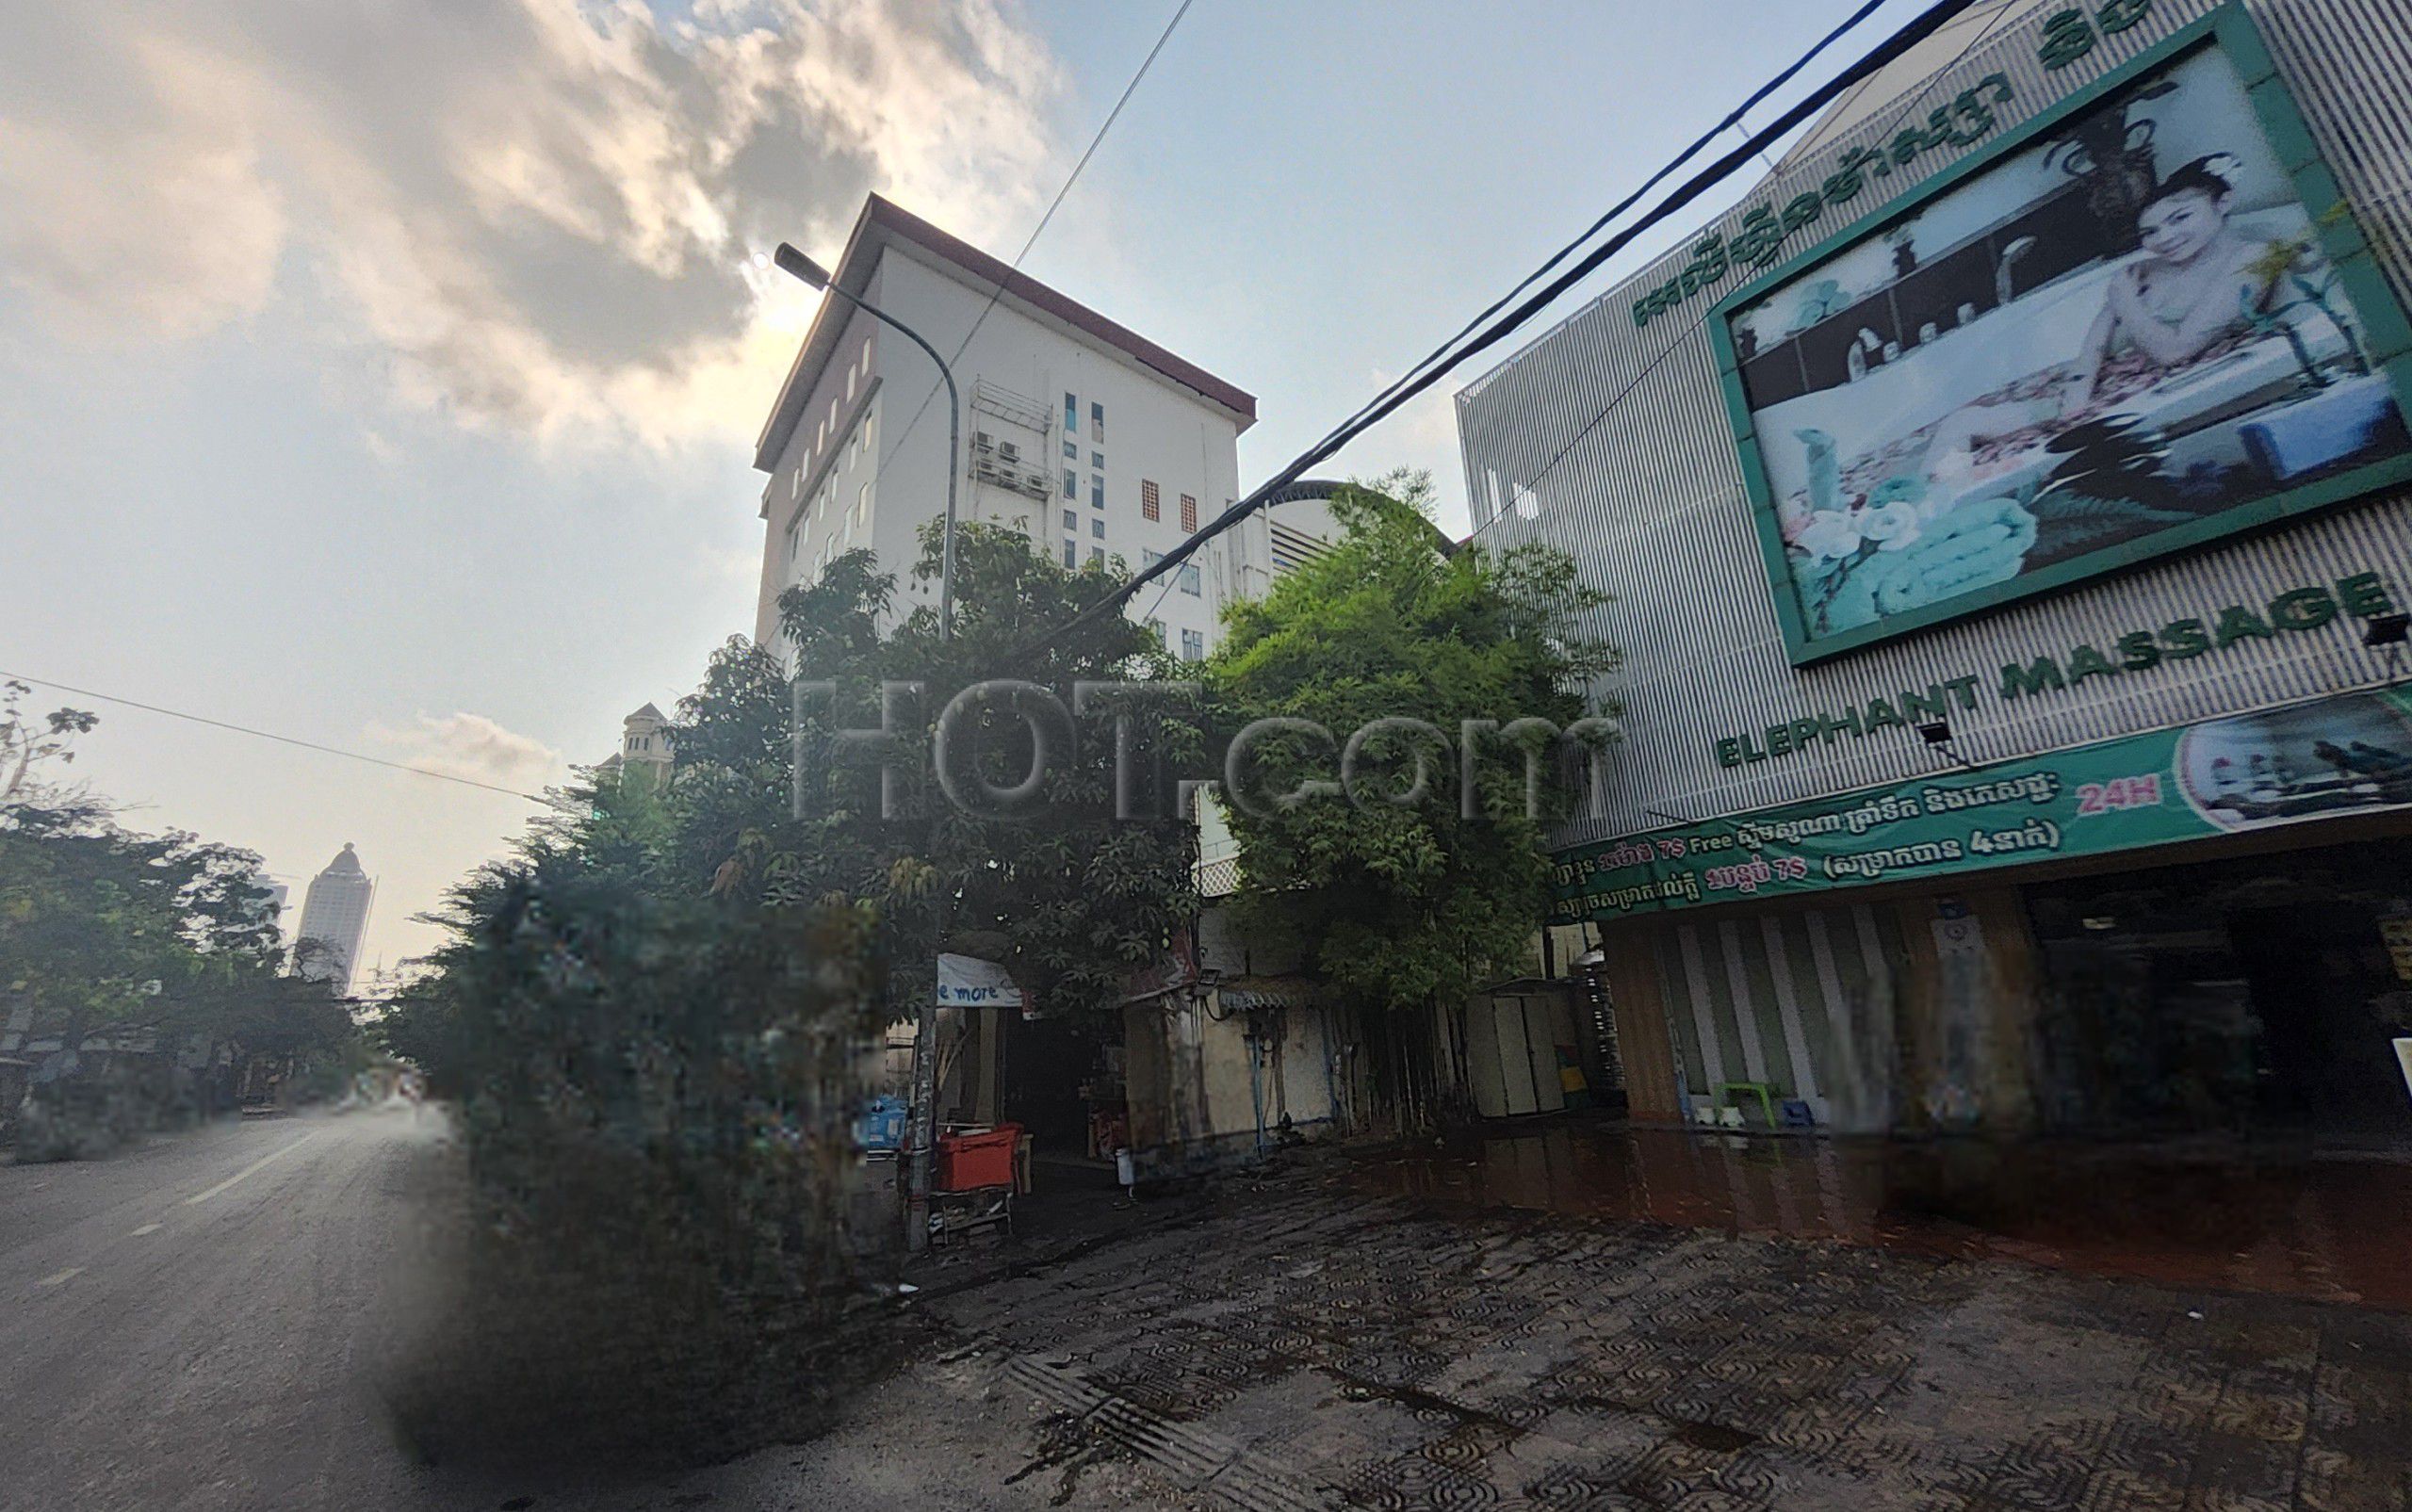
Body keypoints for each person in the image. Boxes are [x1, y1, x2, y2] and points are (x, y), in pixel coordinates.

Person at [1918, 154, 2262, 487]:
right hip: (2099, 386)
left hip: (2149, 392)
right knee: (1959, 423)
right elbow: (2098, 336)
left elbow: (2175, 351)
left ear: (2224, 202)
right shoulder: (2149, 269)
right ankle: (1940, 495)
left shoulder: (2249, 258)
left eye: (2180, 218)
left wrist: (2125, 300)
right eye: (2151, 231)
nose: (2164, 238)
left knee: (1965, 425)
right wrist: (2079, 387)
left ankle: (1944, 501)